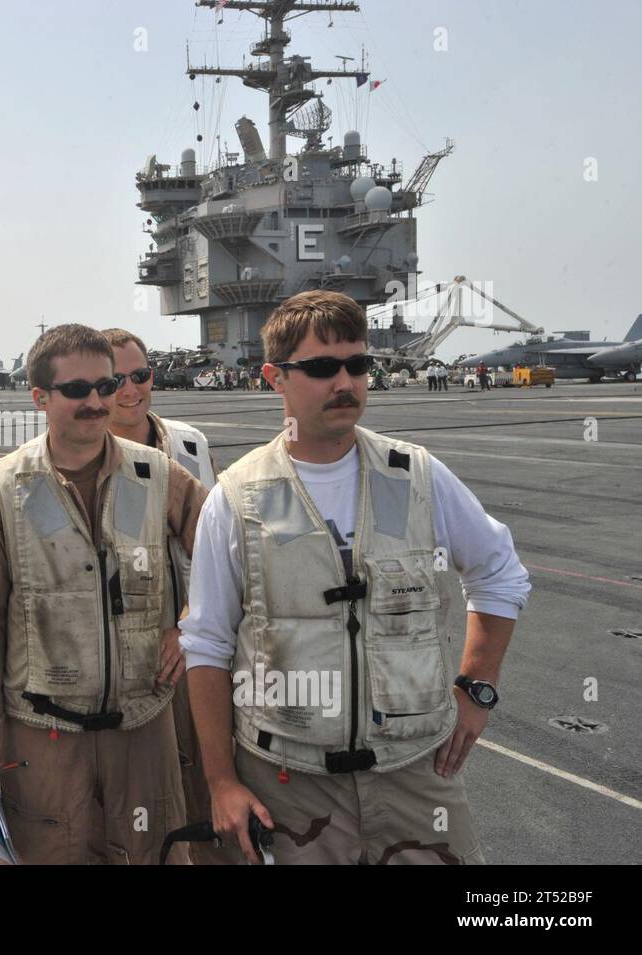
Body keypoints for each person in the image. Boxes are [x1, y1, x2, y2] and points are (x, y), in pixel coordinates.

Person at [180, 290, 531, 865]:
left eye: (358, 365)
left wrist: (477, 687)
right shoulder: (238, 497)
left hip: (414, 774)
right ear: (275, 377)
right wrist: (221, 781)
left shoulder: (415, 475)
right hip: (289, 783)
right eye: (321, 368)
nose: (344, 382)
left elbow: (499, 572)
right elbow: (207, 644)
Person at [0, 324, 208, 864]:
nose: (96, 402)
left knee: (151, 849)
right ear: (40, 396)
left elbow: (226, 553)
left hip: (142, 724)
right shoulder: (6, 486)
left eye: (105, 386)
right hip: (43, 729)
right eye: (77, 390)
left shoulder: (156, 473)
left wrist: (189, 624)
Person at [101, 328, 226, 864]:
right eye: (114, 380)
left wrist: (189, 623)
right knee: (142, 799)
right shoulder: (82, 453)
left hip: (195, 644)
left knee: (210, 783)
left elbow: (218, 549)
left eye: (141, 375)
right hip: (124, 652)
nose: (130, 390)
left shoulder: (190, 443)